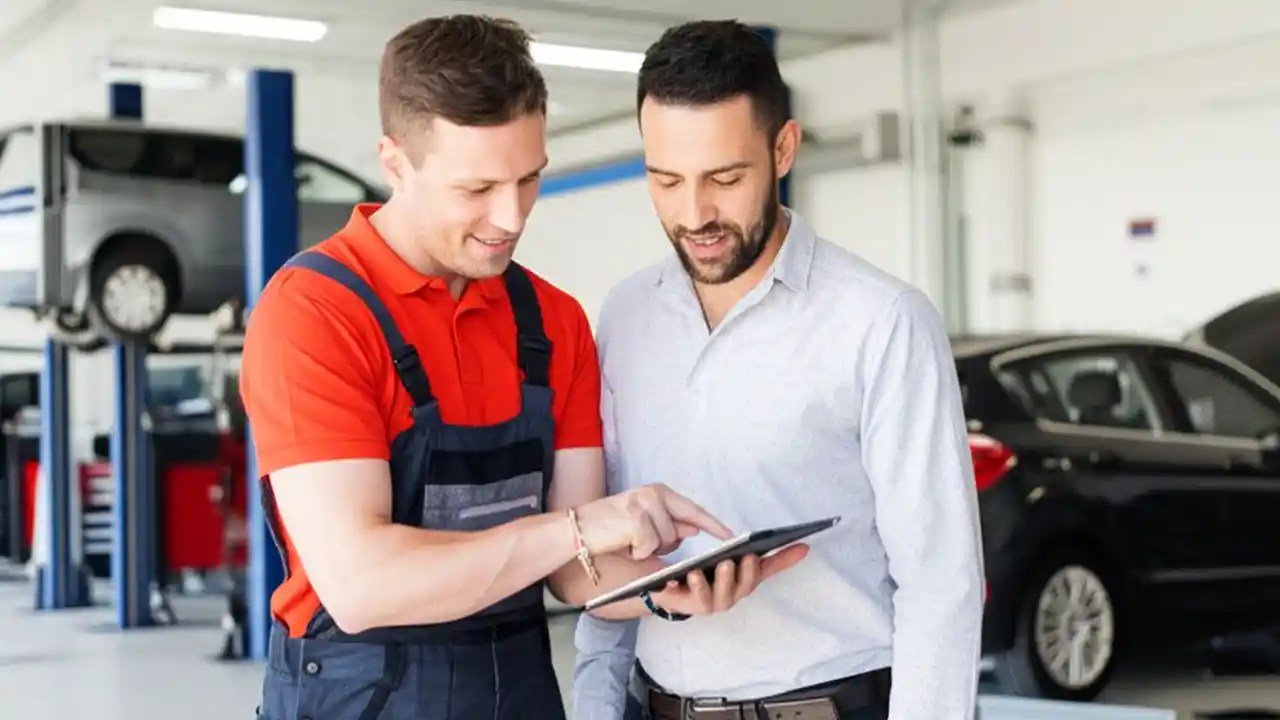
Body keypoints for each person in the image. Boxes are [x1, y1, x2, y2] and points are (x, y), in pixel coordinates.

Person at [238, 14, 800, 720]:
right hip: (353, 695)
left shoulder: (553, 322)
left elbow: (575, 573)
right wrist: (578, 529)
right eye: (476, 190)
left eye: (528, 178)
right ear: (395, 163)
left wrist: (666, 586)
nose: (510, 217)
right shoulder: (315, 314)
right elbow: (360, 586)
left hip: (516, 689)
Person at [572, 20, 985, 720]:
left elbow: (940, 585)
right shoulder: (624, 316)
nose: (694, 212)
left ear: (783, 149)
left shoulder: (881, 321)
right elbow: (608, 544)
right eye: (665, 179)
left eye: (725, 178)